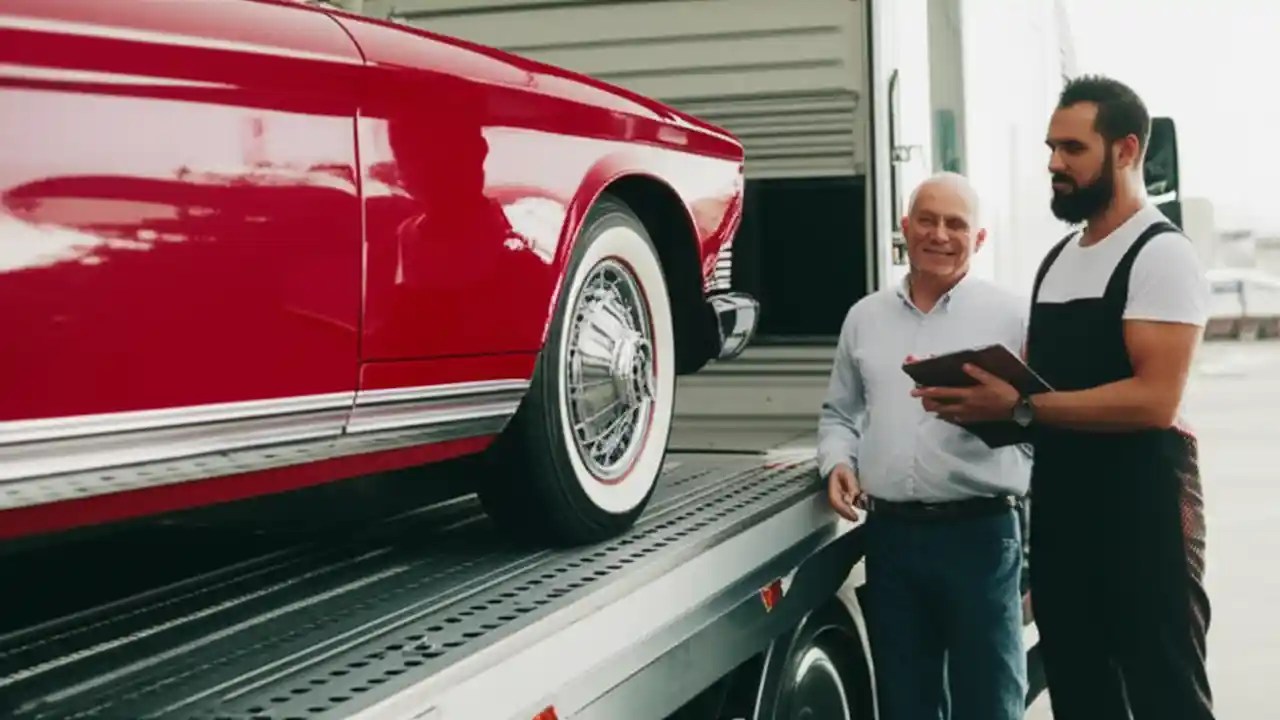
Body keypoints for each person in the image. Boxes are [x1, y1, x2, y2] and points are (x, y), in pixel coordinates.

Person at [911, 75, 1215, 720]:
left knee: (1164, 694)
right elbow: (1047, 381)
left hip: (1144, 519)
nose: (1054, 163)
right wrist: (969, 389)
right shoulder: (1058, 258)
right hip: (1062, 516)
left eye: (1073, 149)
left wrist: (1019, 409)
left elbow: (1154, 400)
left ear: (1127, 149)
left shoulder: (1161, 255)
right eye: (1051, 147)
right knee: (1081, 693)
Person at [818, 171, 1031, 720]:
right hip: (891, 540)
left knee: (990, 704)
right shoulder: (864, 318)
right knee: (906, 704)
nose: (940, 234)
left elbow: (1043, 421)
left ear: (978, 239)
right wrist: (837, 461)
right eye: (928, 220)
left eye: (956, 224)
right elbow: (841, 412)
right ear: (904, 226)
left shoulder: (1013, 318)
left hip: (981, 538)